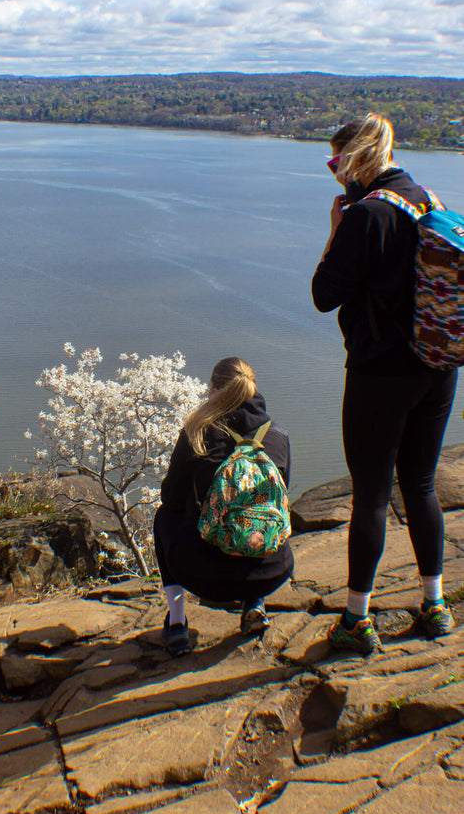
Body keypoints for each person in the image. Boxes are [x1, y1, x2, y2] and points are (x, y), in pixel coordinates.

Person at [312, 113, 457, 654]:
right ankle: (435, 605)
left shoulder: (364, 215)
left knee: (371, 496)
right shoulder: (429, 202)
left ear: (353, 160)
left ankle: (356, 619)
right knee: (420, 485)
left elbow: (324, 294)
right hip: (439, 367)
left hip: (381, 374)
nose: (332, 173)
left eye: (334, 162)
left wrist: (333, 230)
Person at [153, 357, 293, 655]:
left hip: (206, 577)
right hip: (272, 571)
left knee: (164, 516)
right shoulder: (278, 435)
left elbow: (172, 499)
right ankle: (255, 604)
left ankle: (177, 624)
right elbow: (282, 502)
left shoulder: (198, 432)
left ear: (214, 389)